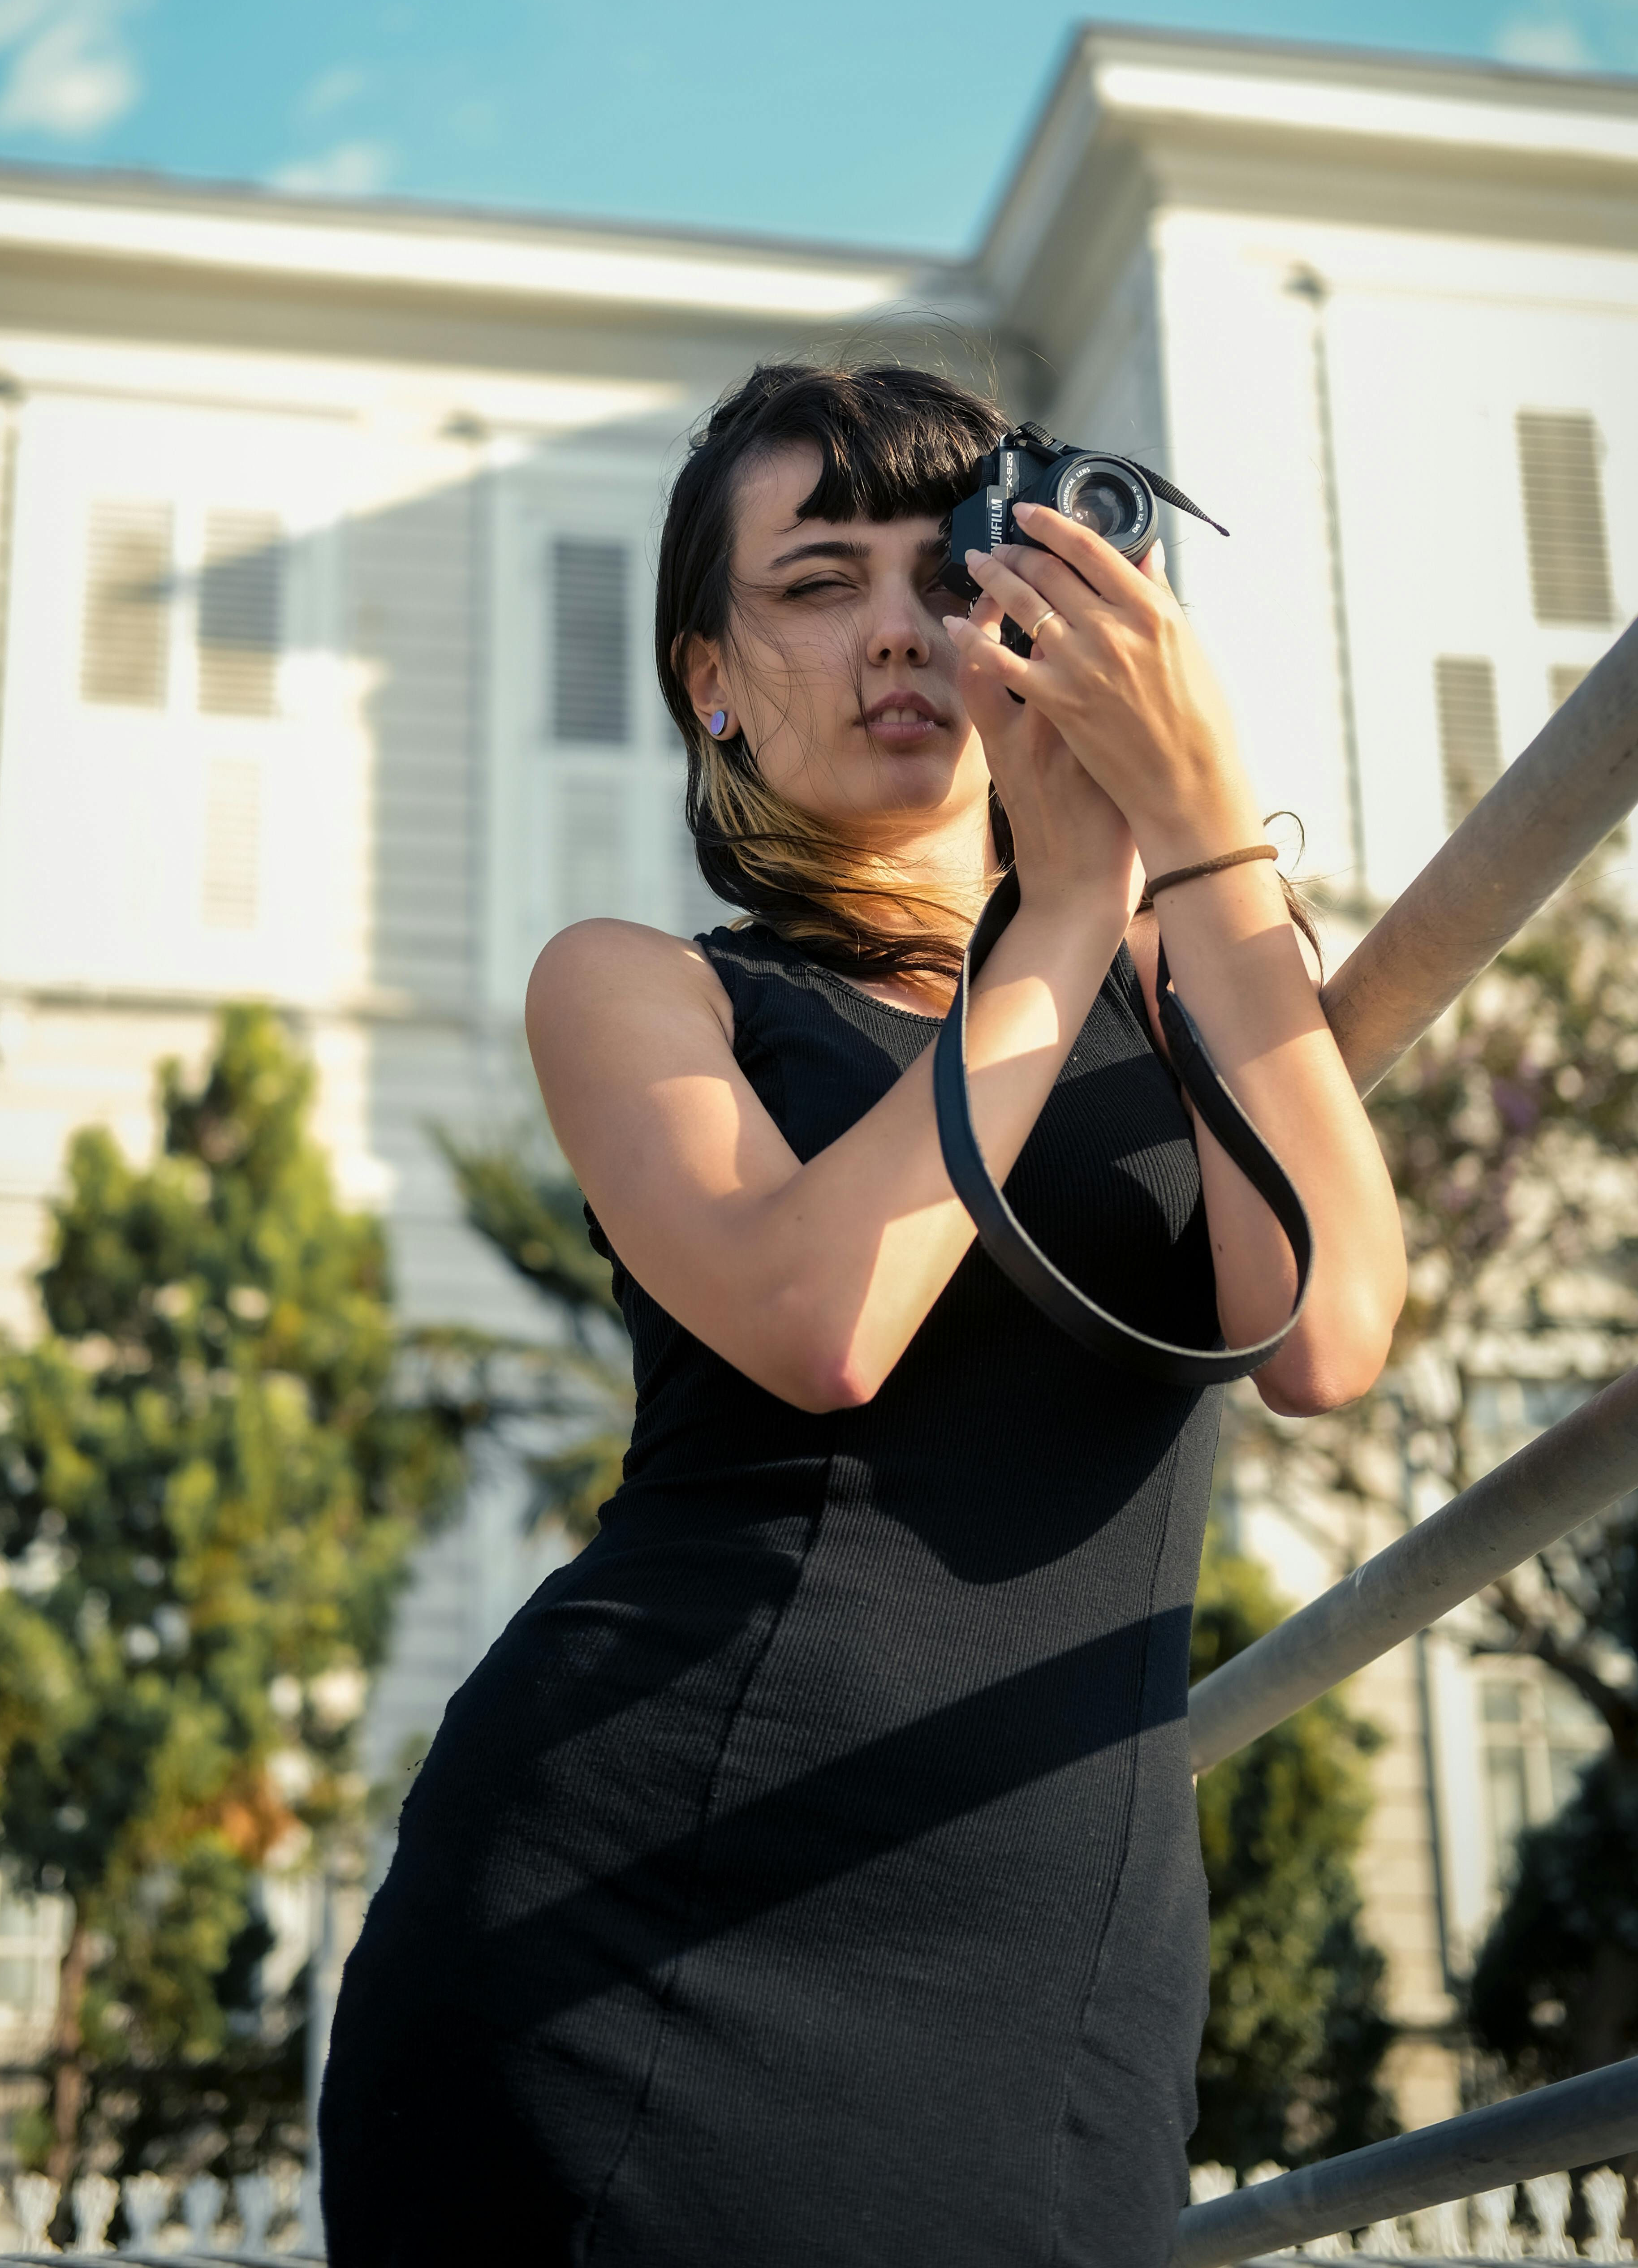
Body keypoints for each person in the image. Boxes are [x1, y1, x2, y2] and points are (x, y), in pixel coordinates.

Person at [319, 362, 1405, 2268]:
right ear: (706, 678)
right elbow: (824, 1320)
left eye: (950, 568)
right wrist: (1056, 914)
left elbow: (1321, 1334)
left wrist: (1198, 832)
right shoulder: (643, 989)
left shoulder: (1185, 972)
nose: (902, 628)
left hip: (1056, 1981)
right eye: (817, 582)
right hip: (635, 1925)